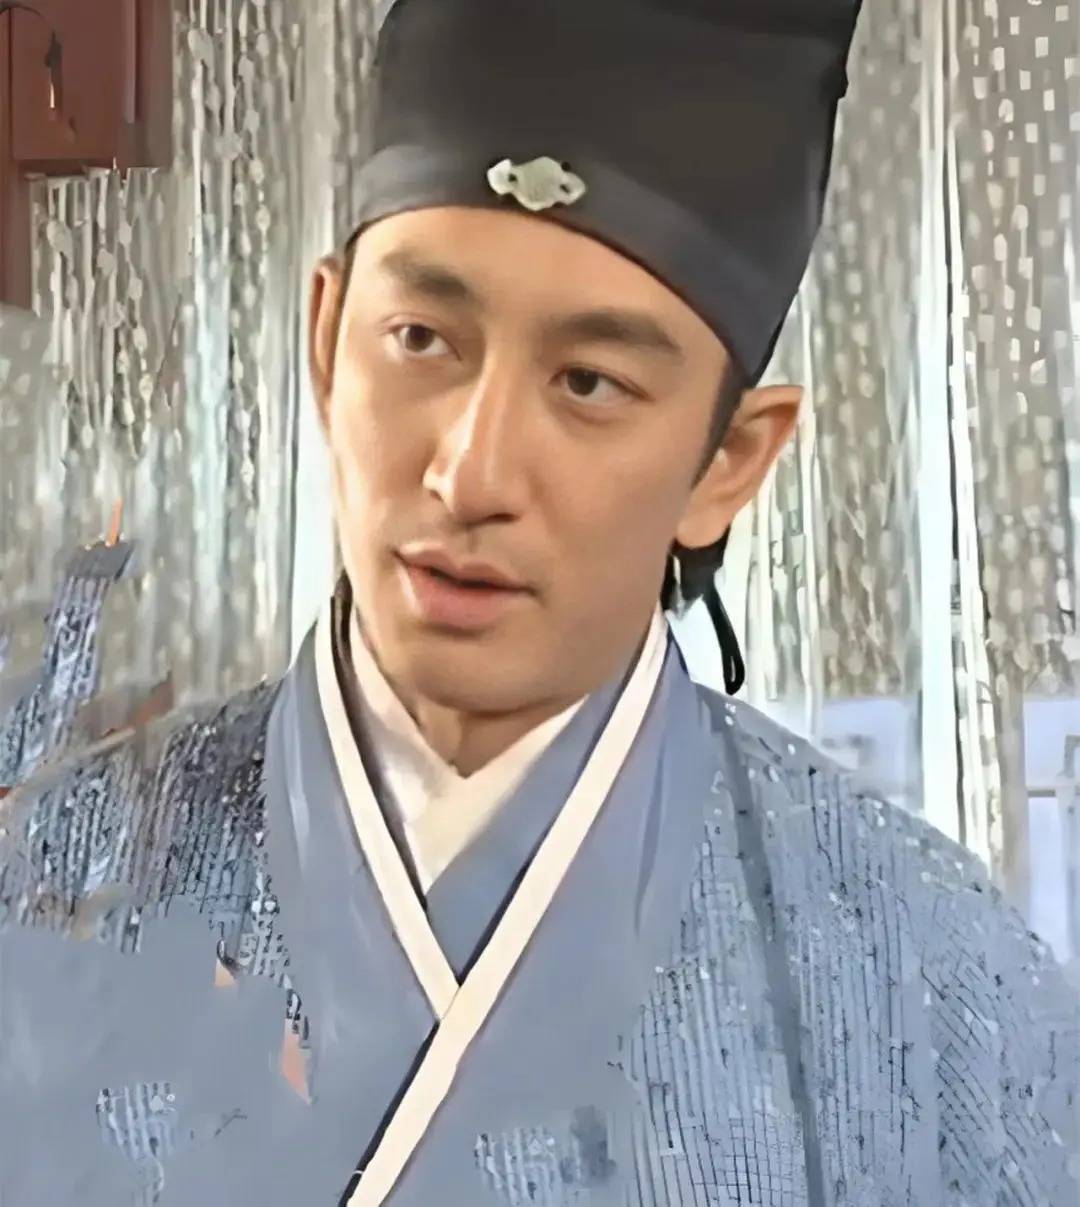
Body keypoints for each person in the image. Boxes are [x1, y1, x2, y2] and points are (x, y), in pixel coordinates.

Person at [1, 1, 1077, 1204]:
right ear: (326, 335)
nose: (471, 474)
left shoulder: (937, 987)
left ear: (729, 462)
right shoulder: (37, 888)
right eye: (420, 337)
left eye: (589, 383)